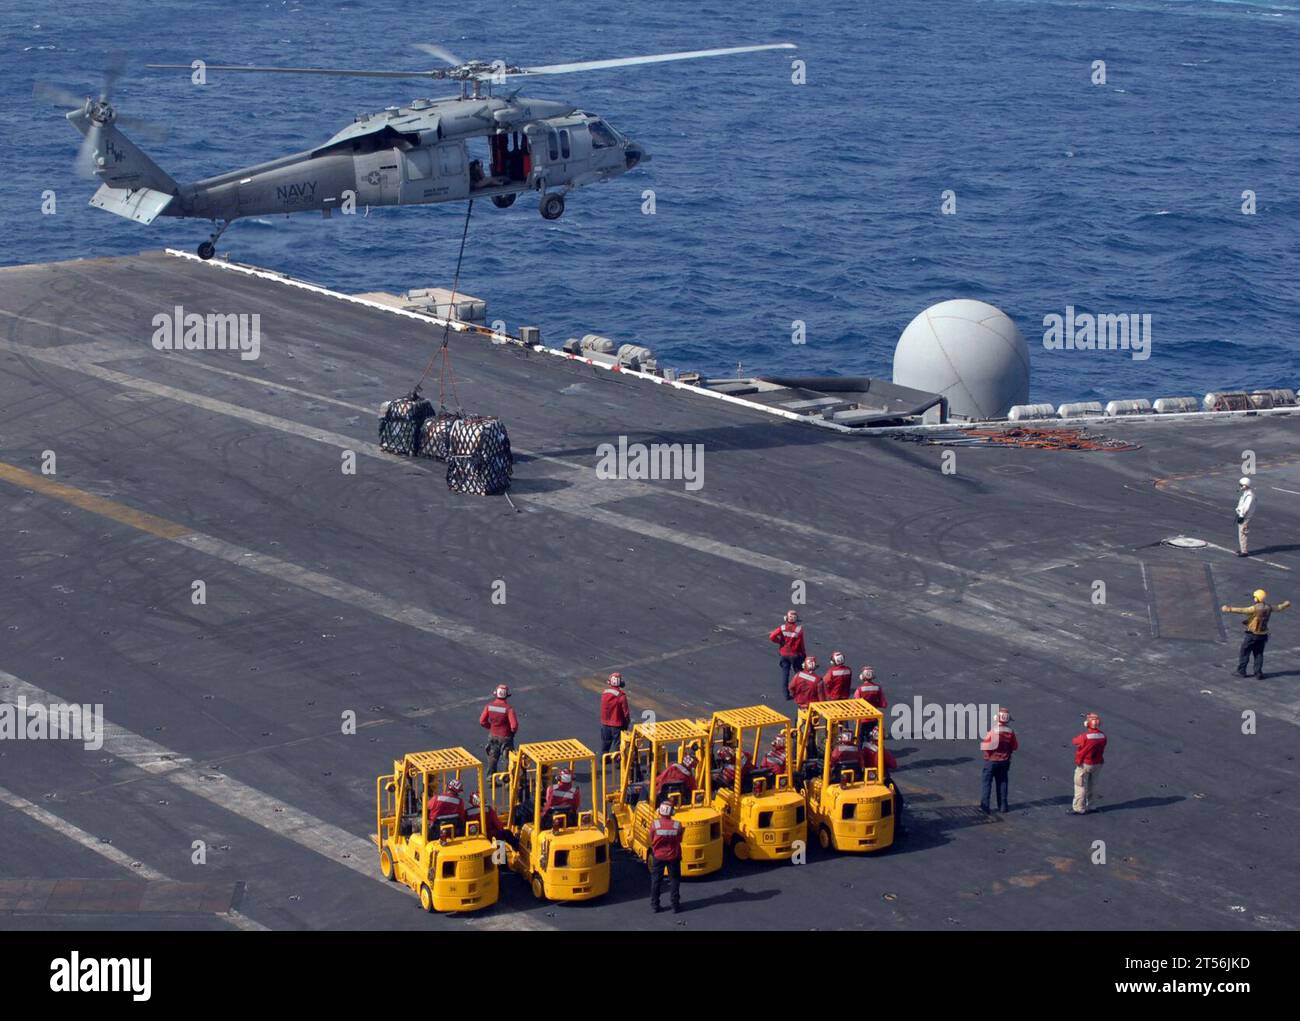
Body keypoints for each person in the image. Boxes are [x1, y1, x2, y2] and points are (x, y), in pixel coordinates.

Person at [1222, 589, 1291, 679]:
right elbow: (1279, 607)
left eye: (1255, 597)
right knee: (1258, 654)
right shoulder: (1269, 607)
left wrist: (1229, 609)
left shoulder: (1255, 608)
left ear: (1257, 598)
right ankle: (1258, 673)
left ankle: (1241, 671)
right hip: (1262, 635)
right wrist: (1286, 604)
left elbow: (1242, 610)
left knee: (1245, 652)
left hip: (1252, 635)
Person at [979, 707, 1018, 814]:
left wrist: (988, 756)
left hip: (991, 761)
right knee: (1002, 783)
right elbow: (1015, 746)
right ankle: (1003, 806)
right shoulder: (1010, 732)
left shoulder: (993, 730)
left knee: (986, 783)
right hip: (1004, 761)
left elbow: (986, 746)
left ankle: (985, 807)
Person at [649, 802, 683, 914]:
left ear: (660, 811)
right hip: (673, 856)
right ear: (672, 812)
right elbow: (679, 840)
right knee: (674, 880)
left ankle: (655, 905)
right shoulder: (677, 825)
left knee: (656, 881)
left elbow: (651, 838)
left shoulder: (655, 825)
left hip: (658, 856)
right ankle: (675, 905)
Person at [1069, 713, 1107, 815]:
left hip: (1085, 764)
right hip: (1098, 764)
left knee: (1080, 785)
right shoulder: (1103, 736)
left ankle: (1078, 808)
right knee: (1093, 785)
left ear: (1087, 724)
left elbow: (1074, 741)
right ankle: (1092, 806)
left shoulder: (1085, 737)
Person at [479, 684, 519, 776]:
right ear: (506, 695)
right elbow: (514, 726)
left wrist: (491, 727)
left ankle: (490, 779)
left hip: (493, 735)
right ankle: (507, 781)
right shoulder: (509, 709)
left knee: (492, 758)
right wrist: (511, 733)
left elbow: (482, 721)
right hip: (506, 737)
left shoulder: (489, 706)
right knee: (508, 759)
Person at [770, 609, 806, 700]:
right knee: (799, 674)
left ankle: (786, 695)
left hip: (784, 654)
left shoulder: (782, 628)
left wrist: (780, 642)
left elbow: (772, 636)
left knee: (785, 674)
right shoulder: (799, 630)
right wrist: (803, 655)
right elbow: (801, 645)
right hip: (795, 655)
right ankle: (802, 692)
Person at [599, 672, 630, 756]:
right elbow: (626, 713)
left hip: (605, 724)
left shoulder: (604, 693)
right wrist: (627, 723)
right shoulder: (621, 696)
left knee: (605, 743)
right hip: (617, 725)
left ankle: (604, 760)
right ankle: (618, 763)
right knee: (618, 745)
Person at [1235, 477, 1255, 557]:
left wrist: (1241, 516)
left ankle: (1244, 551)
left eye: (1241, 485)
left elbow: (1246, 508)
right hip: (1243, 516)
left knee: (1242, 534)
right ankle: (1243, 548)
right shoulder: (1247, 493)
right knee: (1242, 534)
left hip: (1244, 518)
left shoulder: (1249, 496)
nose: (1240, 487)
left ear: (1244, 486)